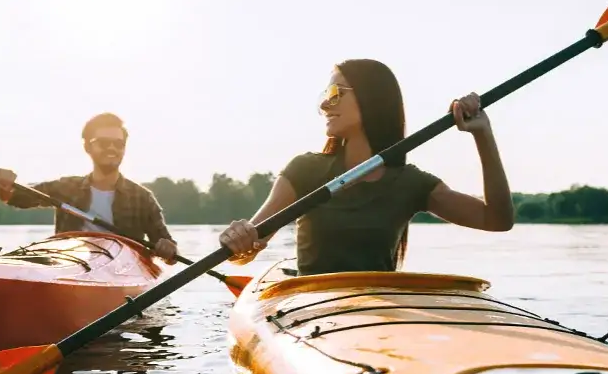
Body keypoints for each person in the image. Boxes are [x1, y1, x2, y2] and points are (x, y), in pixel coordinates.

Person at [218, 58, 515, 276]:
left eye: (335, 94)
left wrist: (482, 134)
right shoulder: (304, 170)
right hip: (310, 308)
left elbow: (497, 220)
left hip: (378, 314)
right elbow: (249, 249)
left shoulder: (411, 183)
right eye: (325, 96)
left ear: (370, 99)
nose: (324, 106)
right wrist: (241, 241)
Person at [0, 112, 179, 265]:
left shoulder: (142, 198)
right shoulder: (65, 187)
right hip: (69, 264)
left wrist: (168, 249)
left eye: (118, 144)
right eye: (104, 143)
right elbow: (12, 198)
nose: (112, 148)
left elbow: (169, 252)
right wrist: (2, 184)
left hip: (123, 269)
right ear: (88, 147)